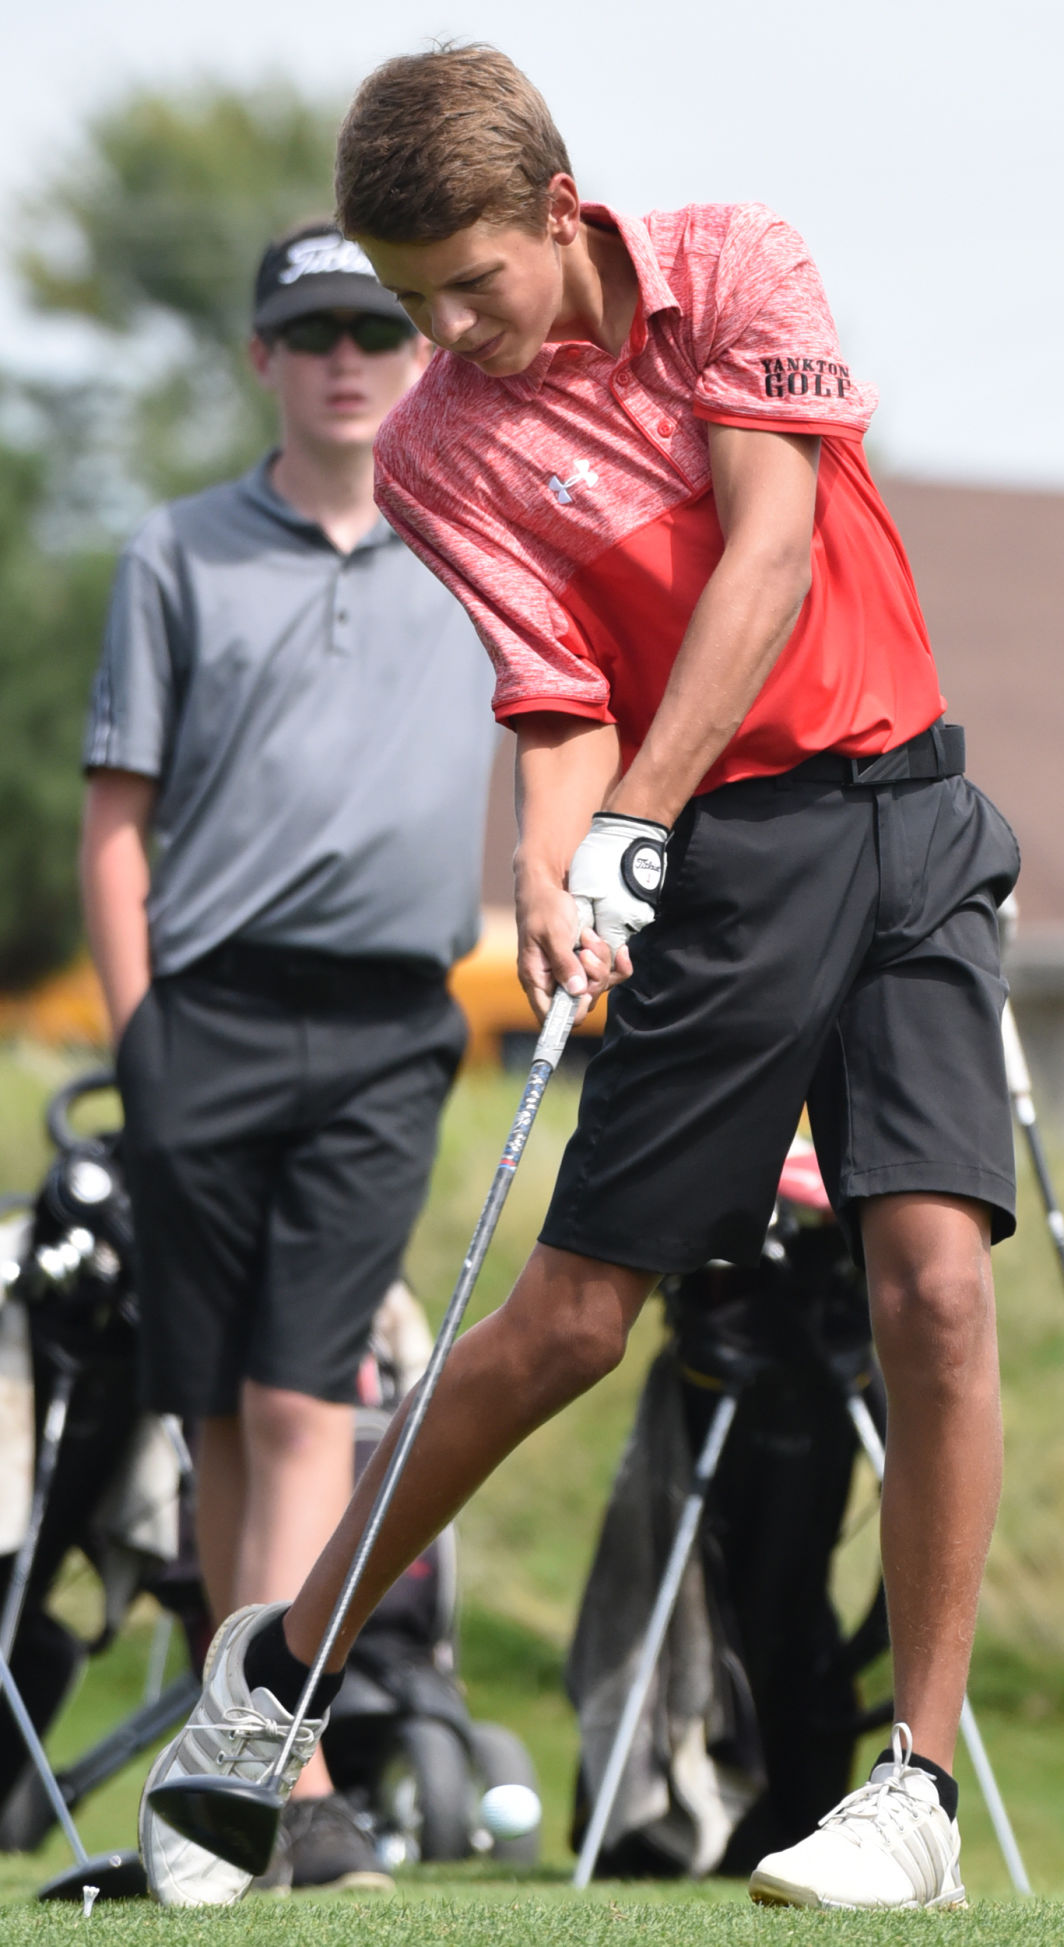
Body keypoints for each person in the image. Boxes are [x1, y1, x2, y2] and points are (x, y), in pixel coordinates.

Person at [138, 49, 1021, 1912]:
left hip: (914, 814)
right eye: (410, 301)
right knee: (567, 1325)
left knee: (934, 1282)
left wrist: (633, 809)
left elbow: (770, 555)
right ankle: (273, 1671)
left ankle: (916, 1794)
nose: (448, 332)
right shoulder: (448, 446)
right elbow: (558, 697)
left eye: (474, 282)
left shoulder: (733, 264)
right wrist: (560, 861)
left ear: (562, 208)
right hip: (731, 867)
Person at [80, 219, 496, 1902]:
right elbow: (121, 826)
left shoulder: (476, 547)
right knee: (221, 1417)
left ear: (422, 356)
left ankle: (293, 1784)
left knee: (302, 1391)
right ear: (262, 355)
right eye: (312, 329)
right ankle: (235, 1767)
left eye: (378, 329)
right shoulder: (176, 554)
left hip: (393, 1020)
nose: (347, 357)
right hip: (207, 1020)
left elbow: (566, 723)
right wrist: (141, 1039)